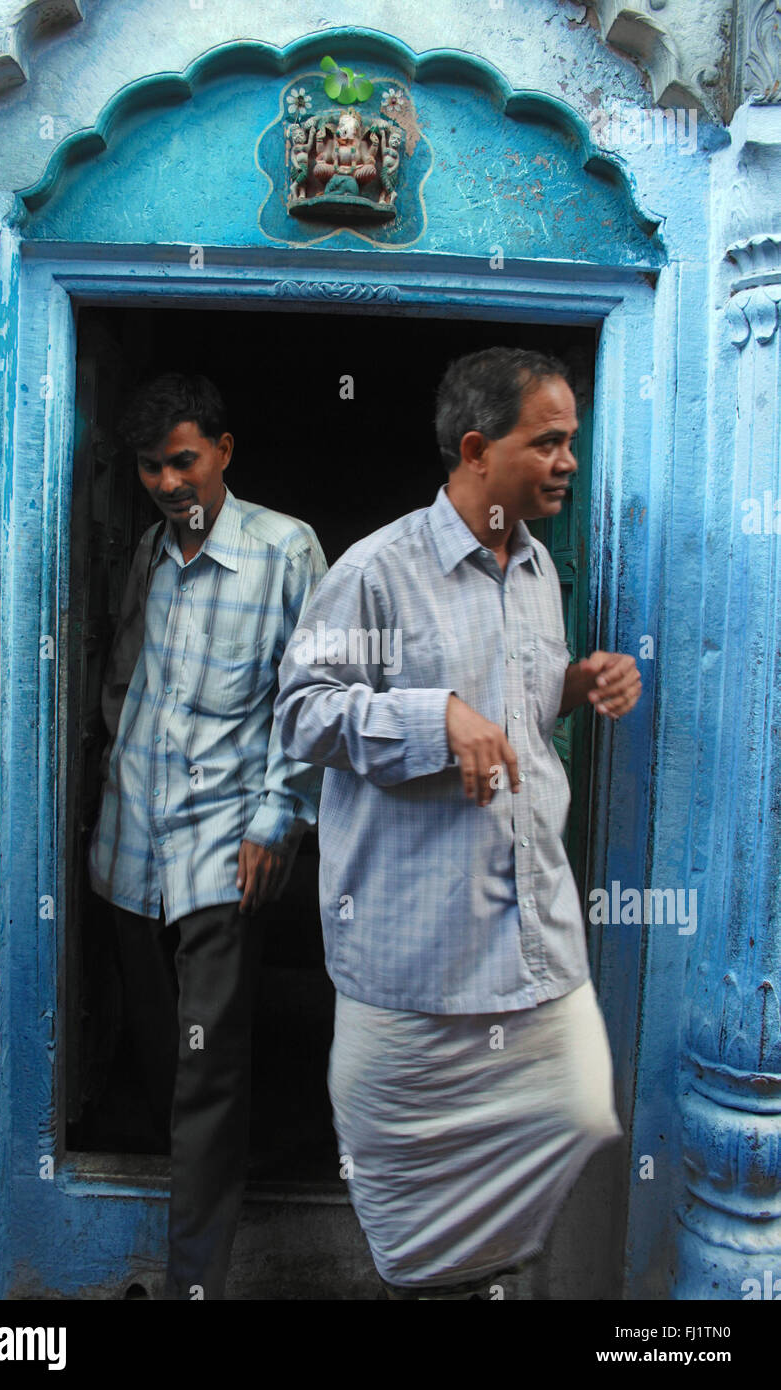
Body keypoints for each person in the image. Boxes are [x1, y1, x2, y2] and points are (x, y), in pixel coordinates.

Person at [274, 346, 642, 1300]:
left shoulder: (536, 574)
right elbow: (302, 714)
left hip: (531, 958)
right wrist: (430, 715)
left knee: (566, 1169)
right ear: (477, 449)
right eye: (548, 442)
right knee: (424, 1246)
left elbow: (510, 717)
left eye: (573, 441)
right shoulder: (377, 574)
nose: (568, 460)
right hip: (415, 973)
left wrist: (573, 685)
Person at [88, 372, 327, 1300]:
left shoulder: (285, 550)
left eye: (182, 460)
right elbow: (124, 680)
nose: (166, 481)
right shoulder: (150, 546)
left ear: (224, 451)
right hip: (128, 848)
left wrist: (278, 822)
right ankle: (184, 1180)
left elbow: (312, 705)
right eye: (150, 466)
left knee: (206, 1071)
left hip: (225, 857)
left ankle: (196, 1283)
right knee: (160, 1057)